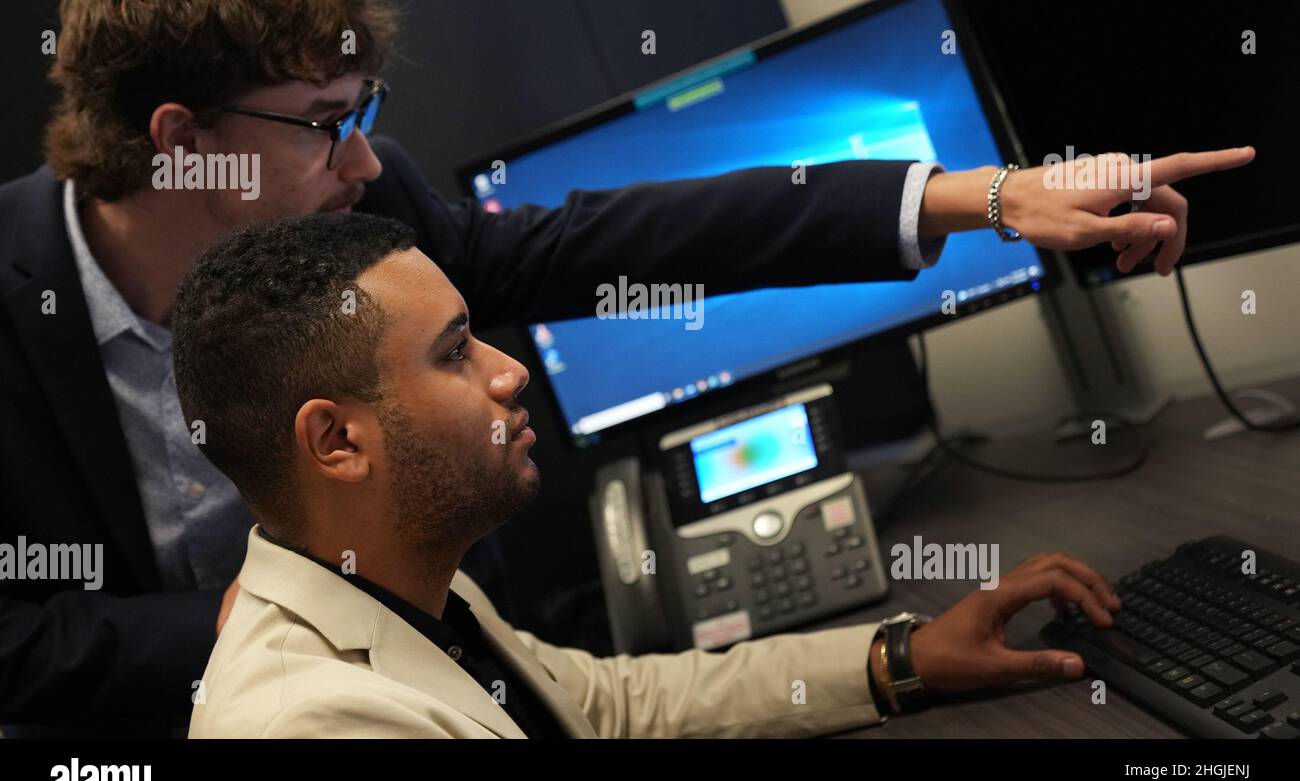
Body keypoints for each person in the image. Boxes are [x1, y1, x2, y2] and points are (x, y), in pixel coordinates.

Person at [0, 0, 1252, 729]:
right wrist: (267, 621)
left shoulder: (358, 202)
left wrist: (986, 198)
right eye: (327, 122)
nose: (367, 163)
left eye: (364, 112)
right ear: (181, 140)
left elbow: (618, 244)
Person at [178, 213, 1129, 737]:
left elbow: (607, 708)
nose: (510, 372)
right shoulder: (313, 724)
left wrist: (902, 659)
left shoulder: (401, 586)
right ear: (336, 443)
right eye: (456, 351)